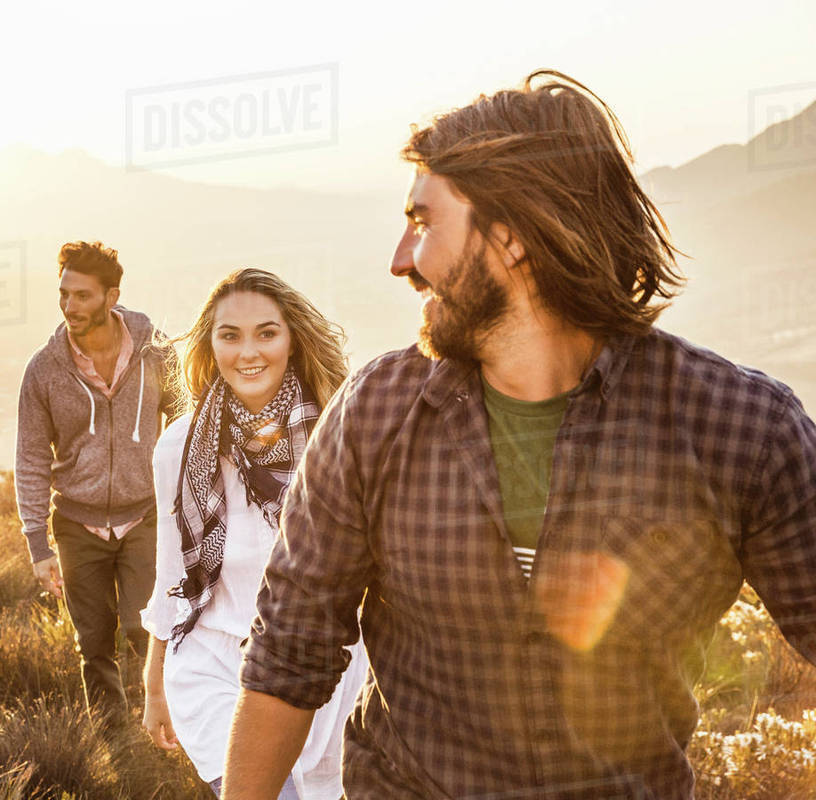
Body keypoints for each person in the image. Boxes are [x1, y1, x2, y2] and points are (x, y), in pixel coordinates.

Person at [222, 71, 816, 799]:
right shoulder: (373, 414)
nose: (401, 260)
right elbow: (288, 659)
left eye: (424, 222)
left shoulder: (742, 429)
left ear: (512, 237)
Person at [140, 268, 369, 799]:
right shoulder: (179, 448)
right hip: (218, 670)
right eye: (230, 335)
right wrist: (154, 685)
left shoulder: (337, 435)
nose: (248, 352)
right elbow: (172, 575)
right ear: (210, 345)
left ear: (292, 340)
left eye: (266, 333)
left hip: (327, 671)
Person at [15, 240, 179, 722]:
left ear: (111, 297)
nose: (70, 306)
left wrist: (181, 496)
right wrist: (37, 545)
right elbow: (30, 459)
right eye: (64, 294)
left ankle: (175, 723)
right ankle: (114, 740)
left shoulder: (154, 351)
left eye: (82, 296)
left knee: (147, 627)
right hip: (76, 524)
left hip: (144, 515)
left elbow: (185, 418)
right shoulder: (44, 370)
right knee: (93, 642)